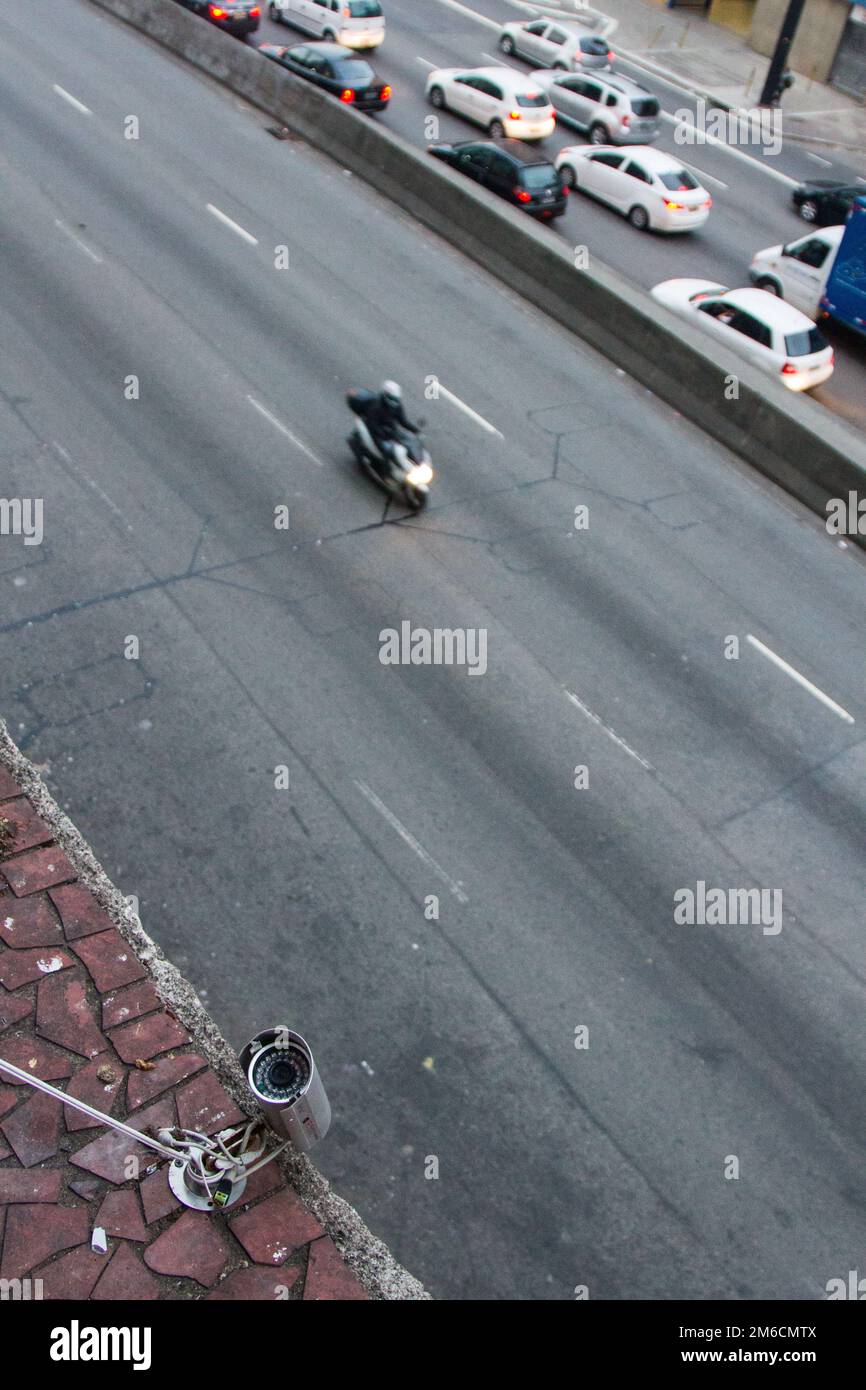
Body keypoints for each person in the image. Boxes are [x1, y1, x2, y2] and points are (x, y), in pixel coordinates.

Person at [366, 380, 419, 473]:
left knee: (408, 444)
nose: (394, 402)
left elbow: (403, 421)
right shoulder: (376, 406)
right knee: (388, 451)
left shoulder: (397, 406)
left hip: (391, 431)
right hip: (378, 434)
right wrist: (382, 433)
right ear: (385, 395)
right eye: (392, 399)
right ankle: (384, 472)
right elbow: (372, 423)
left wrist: (415, 431)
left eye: (396, 399)